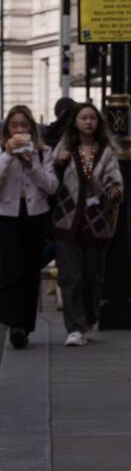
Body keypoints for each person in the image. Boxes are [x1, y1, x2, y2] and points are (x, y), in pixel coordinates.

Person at [50, 102, 123, 346]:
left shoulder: (106, 151)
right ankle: (74, 328)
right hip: (67, 220)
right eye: (84, 117)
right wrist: (59, 163)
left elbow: (118, 178)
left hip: (97, 222)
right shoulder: (64, 147)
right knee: (71, 276)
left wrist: (122, 190)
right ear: (75, 121)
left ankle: (90, 319)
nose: (89, 122)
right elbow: (49, 179)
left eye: (93, 118)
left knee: (93, 276)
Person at [0, 104, 57, 348]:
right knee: (11, 269)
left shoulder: (44, 153)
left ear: (31, 129)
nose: (19, 130)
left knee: (31, 269)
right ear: (7, 129)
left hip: (35, 215)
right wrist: (7, 157)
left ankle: (25, 323)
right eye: (15, 126)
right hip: (6, 215)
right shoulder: (2, 152)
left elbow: (52, 186)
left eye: (24, 125)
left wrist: (31, 163)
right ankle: (15, 324)